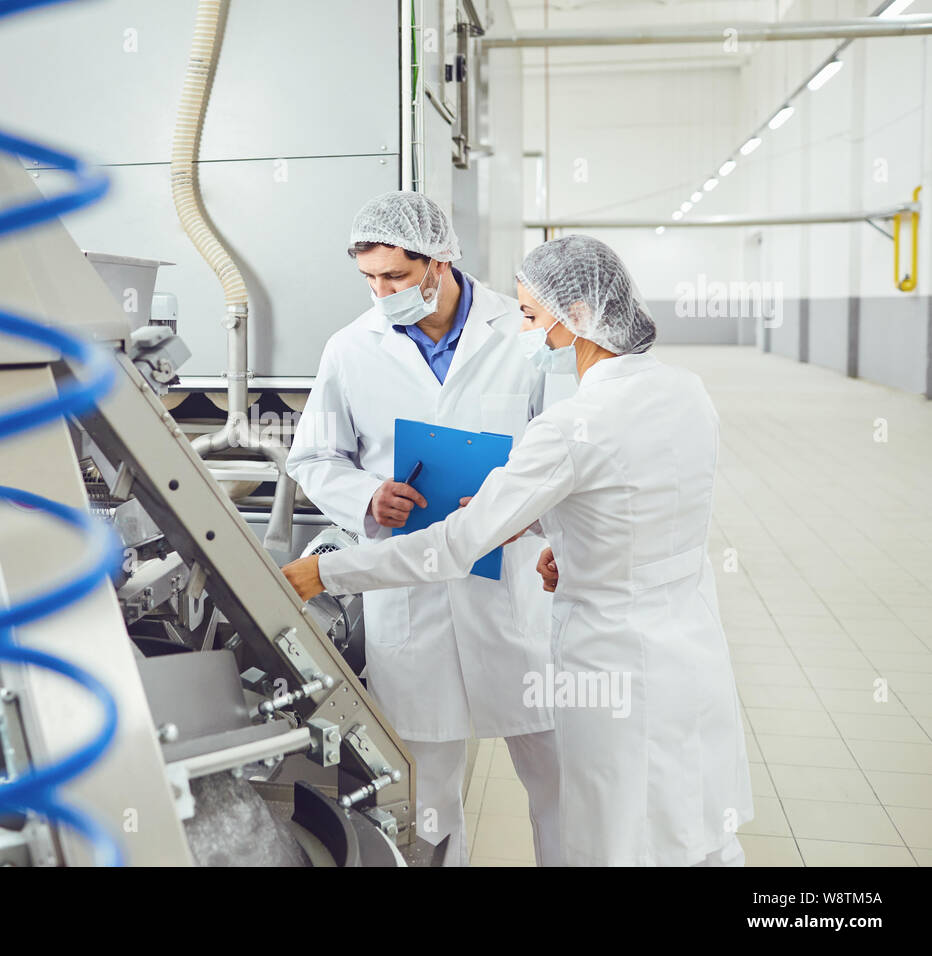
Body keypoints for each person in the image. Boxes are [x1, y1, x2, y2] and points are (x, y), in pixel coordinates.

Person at [284, 234, 754, 867]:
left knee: (608, 832)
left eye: (533, 316)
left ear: (580, 315)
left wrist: (325, 572)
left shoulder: (570, 425)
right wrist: (562, 533)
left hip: (606, 653)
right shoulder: (684, 389)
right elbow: (638, 496)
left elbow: (450, 548)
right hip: (687, 647)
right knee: (689, 825)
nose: (526, 331)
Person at [286, 191, 574, 866]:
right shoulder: (351, 348)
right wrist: (366, 498)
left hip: (510, 581)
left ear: (439, 263)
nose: (381, 293)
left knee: (556, 771)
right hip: (408, 590)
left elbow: (567, 446)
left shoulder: (524, 334)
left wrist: (518, 503)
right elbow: (312, 457)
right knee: (428, 790)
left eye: (395, 276)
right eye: (369, 279)